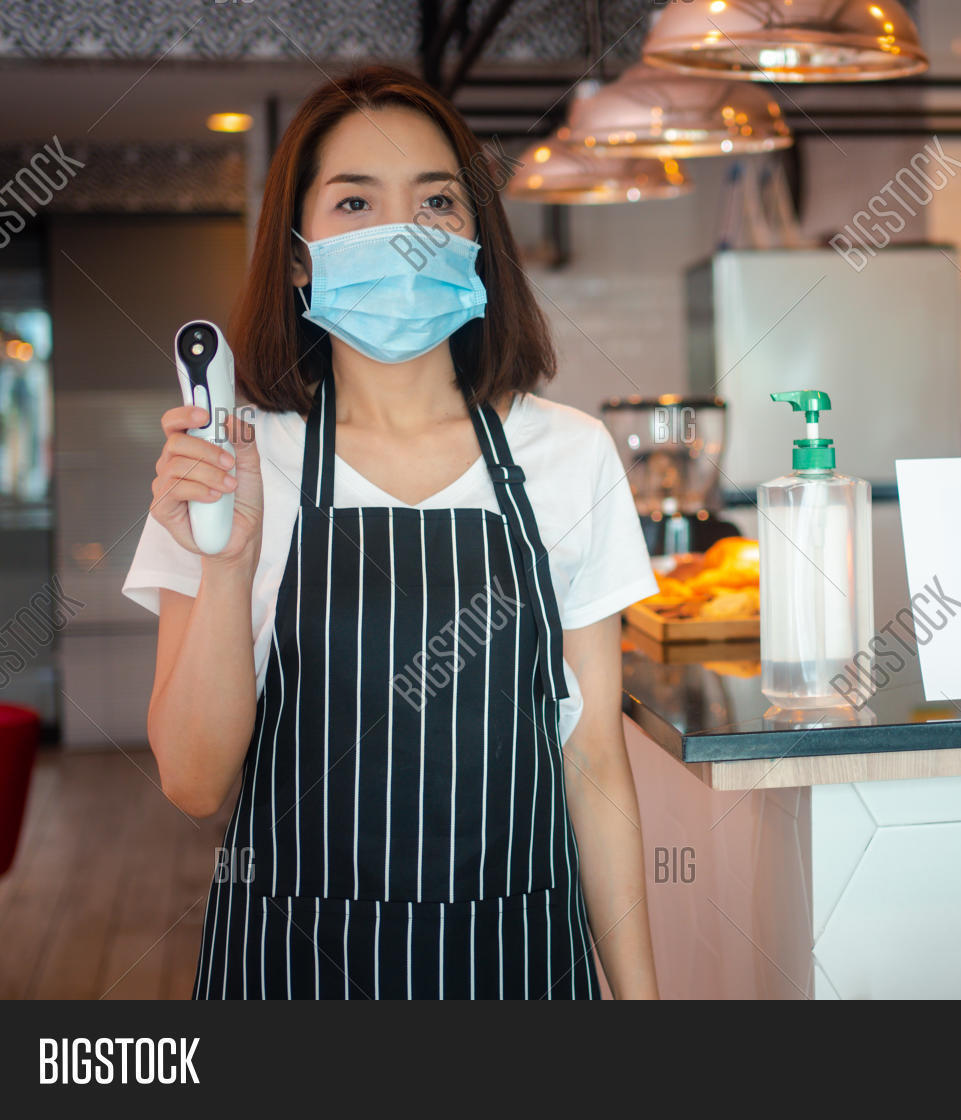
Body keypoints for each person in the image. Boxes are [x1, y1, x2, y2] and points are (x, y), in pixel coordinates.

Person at [122, 65, 660, 999]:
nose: (402, 233)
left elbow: (595, 763)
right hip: (293, 969)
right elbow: (194, 785)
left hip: (520, 965)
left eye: (437, 200)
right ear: (298, 255)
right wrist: (227, 560)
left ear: (475, 238)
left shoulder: (570, 455)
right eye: (355, 201)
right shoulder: (234, 464)